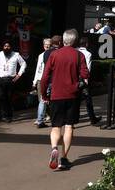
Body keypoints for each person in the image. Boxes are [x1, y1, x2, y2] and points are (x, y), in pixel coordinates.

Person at [38, 29, 89, 171]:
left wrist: (44, 94)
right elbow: (85, 74)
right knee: (69, 127)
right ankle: (64, 158)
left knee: (56, 126)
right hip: (72, 96)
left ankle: (54, 147)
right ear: (76, 41)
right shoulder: (79, 55)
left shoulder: (54, 55)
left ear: (64, 40)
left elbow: (45, 77)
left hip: (56, 95)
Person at [76, 35, 106, 128]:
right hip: (83, 79)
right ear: (86, 44)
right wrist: (86, 80)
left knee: (75, 100)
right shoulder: (88, 54)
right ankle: (92, 119)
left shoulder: (75, 51)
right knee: (88, 100)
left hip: (74, 78)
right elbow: (87, 68)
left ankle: (73, 119)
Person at [32, 36, 57, 128]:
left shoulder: (52, 54)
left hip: (48, 80)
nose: (47, 47)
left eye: (49, 45)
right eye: (46, 45)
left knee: (45, 100)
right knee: (42, 100)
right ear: (43, 46)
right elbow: (38, 69)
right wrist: (35, 81)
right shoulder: (41, 55)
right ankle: (45, 117)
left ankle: (42, 118)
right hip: (40, 79)